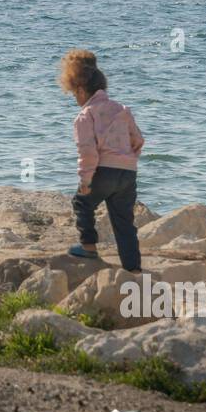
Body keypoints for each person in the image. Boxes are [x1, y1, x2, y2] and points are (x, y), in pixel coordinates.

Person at [57, 49, 144, 272]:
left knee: (82, 203)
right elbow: (138, 140)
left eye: (73, 94)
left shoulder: (85, 115)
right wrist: (127, 160)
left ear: (80, 89)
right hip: (127, 173)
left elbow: (88, 153)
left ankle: (88, 246)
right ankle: (133, 267)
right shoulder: (121, 109)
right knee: (124, 222)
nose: (74, 99)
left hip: (103, 171)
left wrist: (86, 182)